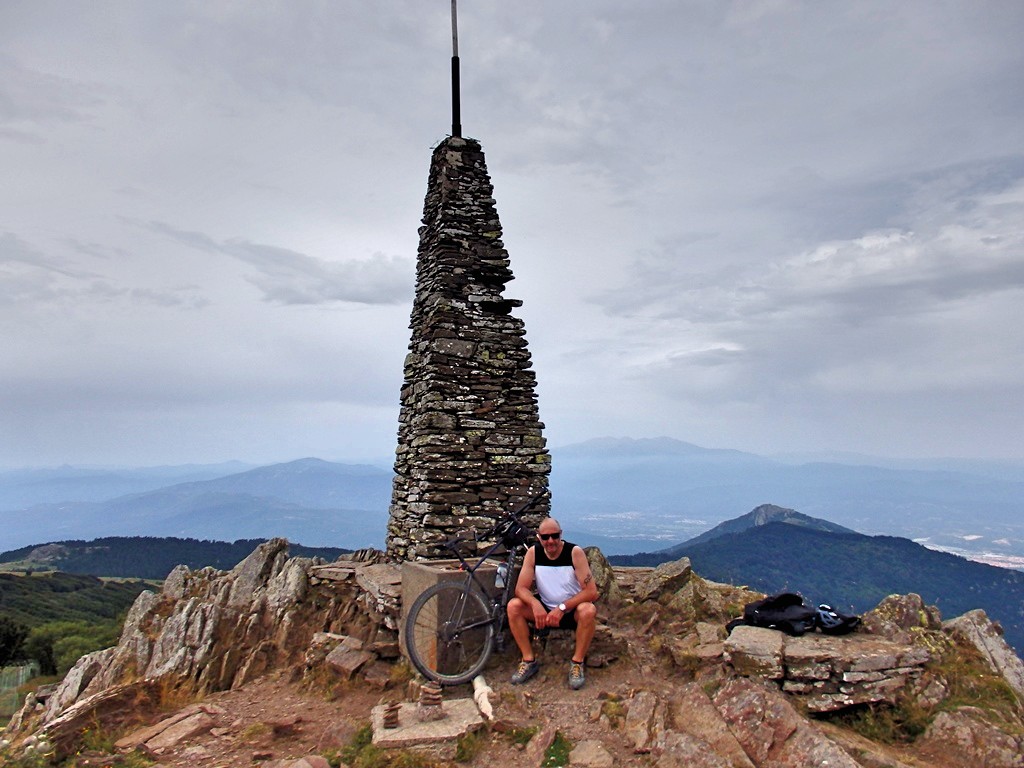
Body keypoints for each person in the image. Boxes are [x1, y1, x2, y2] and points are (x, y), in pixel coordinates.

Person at [506, 517, 599, 690]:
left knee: (588, 610)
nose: (551, 541)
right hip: (544, 610)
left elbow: (591, 592)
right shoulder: (534, 553)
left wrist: (562, 608)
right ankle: (528, 660)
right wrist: (535, 604)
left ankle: (577, 663)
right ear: (539, 537)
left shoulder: (574, 553)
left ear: (561, 535)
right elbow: (521, 588)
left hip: (571, 611)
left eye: (555, 536)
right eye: (546, 537)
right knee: (514, 606)